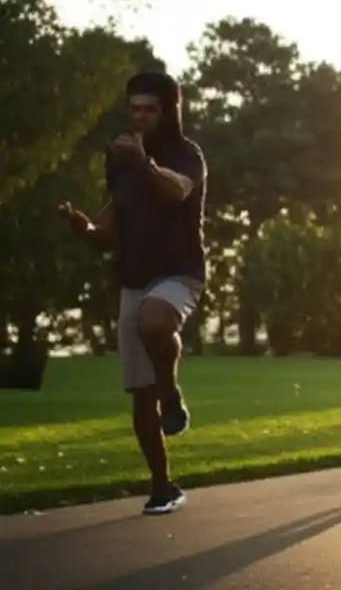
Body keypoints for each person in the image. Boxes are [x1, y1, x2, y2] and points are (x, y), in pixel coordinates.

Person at [57, 71, 207, 515]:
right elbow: (111, 225)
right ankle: (162, 487)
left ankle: (172, 391)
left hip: (180, 273)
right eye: (134, 109)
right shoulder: (119, 158)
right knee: (140, 395)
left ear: (168, 112)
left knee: (155, 320)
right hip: (133, 277)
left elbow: (177, 192)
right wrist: (82, 226)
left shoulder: (187, 154)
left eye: (150, 110)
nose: (140, 118)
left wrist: (143, 162)